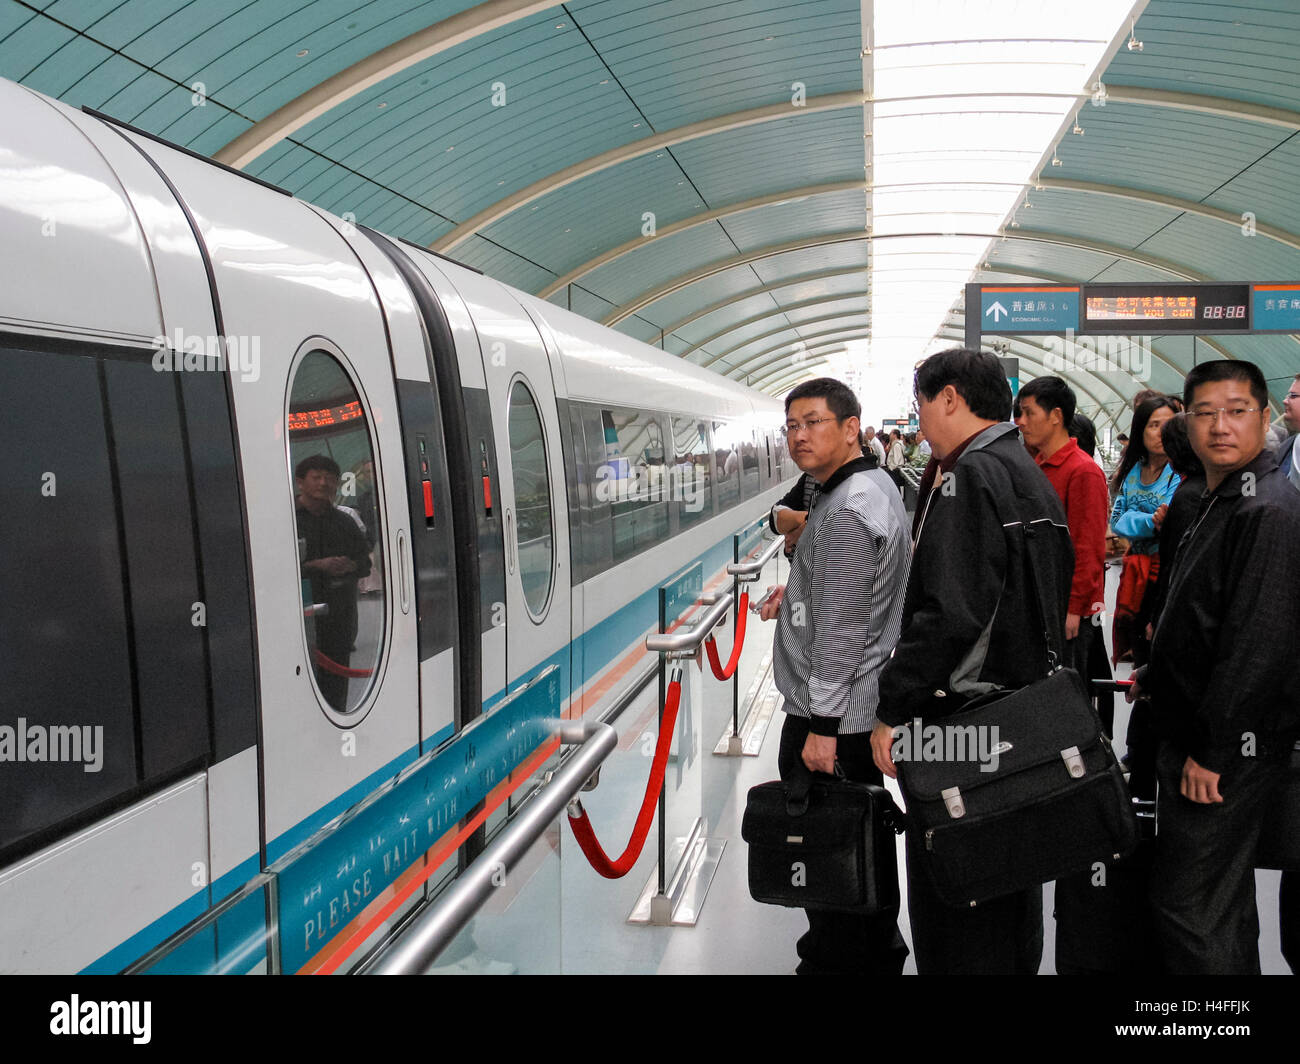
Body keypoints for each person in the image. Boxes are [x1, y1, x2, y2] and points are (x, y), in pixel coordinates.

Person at [870, 348, 1073, 975]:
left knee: (955, 896)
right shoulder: (1026, 470)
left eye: (922, 405)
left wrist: (892, 707)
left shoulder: (970, 477)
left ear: (951, 398)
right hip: (1021, 718)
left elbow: (948, 616)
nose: (921, 420)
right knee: (1007, 885)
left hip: (962, 725)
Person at [1129, 359, 1300, 974]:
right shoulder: (1218, 496)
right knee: (1219, 903)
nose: (1220, 426)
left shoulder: (1266, 510)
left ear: (1263, 416)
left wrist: (1214, 751)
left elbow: (1259, 645)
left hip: (1223, 752)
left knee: (1191, 906)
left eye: (1236, 411)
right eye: (1204, 413)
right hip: (1198, 732)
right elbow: (1199, 612)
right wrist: (1157, 674)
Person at [758, 377, 911, 975]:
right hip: (851, 710)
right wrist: (794, 598)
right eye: (791, 425)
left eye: (813, 422)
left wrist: (821, 728)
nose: (799, 435)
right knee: (858, 856)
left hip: (833, 721)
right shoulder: (861, 486)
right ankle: (865, 956)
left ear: (851, 428)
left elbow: (844, 628)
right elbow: (844, 596)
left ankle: (841, 964)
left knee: (832, 865)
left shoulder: (846, 508)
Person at [1013, 377, 1109, 692]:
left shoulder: (1083, 471)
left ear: (1056, 416)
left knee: (1065, 694)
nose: (1021, 421)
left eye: (1029, 413)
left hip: (1065, 612)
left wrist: (1074, 609)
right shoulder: (1036, 465)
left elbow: (1088, 548)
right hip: (1040, 605)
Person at [295, 454, 372, 711]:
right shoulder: (287, 522)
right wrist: (317, 566)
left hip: (338, 619)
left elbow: (365, 564)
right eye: (316, 477)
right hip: (298, 620)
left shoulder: (345, 522)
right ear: (300, 482)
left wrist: (349, 566)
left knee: (336, 691)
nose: (323, 483)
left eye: (329, 478)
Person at [1108, 395, 1181, 665]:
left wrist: (1135, 518)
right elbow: (1117, 520)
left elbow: (1170, 521)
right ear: (1140, 430)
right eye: (1154, 425)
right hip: (1135, 574)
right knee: (1138, 645)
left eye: (1168, 425)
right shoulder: (1134, 471)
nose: (1161, 432)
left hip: (1163, 576)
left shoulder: (1179, 473)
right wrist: (1150, 521)